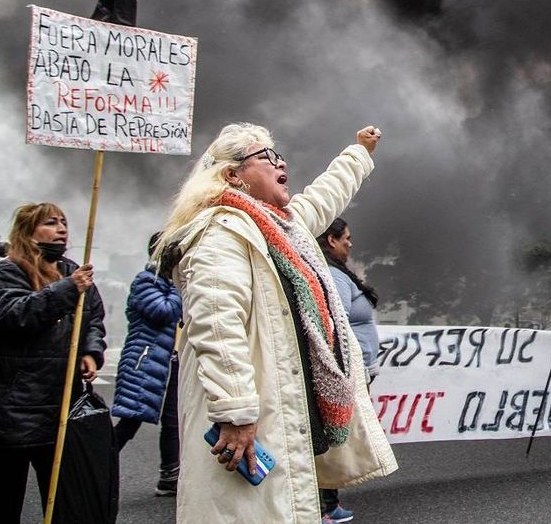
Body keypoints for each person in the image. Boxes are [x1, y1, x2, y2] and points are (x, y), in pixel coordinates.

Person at [155, 123, 396, 523]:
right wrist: (235, 412)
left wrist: (359, 152)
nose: (281, 162)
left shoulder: (281, 229)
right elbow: (217, 326)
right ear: (232, 175)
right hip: (250, 416)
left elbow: (323, 196)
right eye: (266, 156)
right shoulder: (221, 231)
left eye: (278, 155)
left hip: (276, 405)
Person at [0, 202, 107, 522]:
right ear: (28, 232)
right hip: (9, 413)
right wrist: (67, 289)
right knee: (1, 507)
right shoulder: (6, 271)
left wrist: (90, 351)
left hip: (59, 411)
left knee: (62, 505)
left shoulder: (72, 271)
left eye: (63, 222)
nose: (61, 229)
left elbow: (92, 318)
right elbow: (11, 316)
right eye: (50, 223)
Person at [316, 218, 382, 524]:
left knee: (338, 434)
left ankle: (328, 503)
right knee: (335, 435)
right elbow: (336, 324)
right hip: (350, 372)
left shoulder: (336, 272)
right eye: (346, 238)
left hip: (356, 370)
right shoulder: (334, 274)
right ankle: (326, 506)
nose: (350, 244)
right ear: (331, 239)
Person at [111, 232, 183, 496]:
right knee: (132, 419)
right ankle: (98, 464)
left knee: (172, 422)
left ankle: (169, 477)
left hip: (171, 361)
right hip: (145, 359)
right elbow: (163, 311)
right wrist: (180, 287)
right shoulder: (146, 281)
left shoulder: (166, 283)